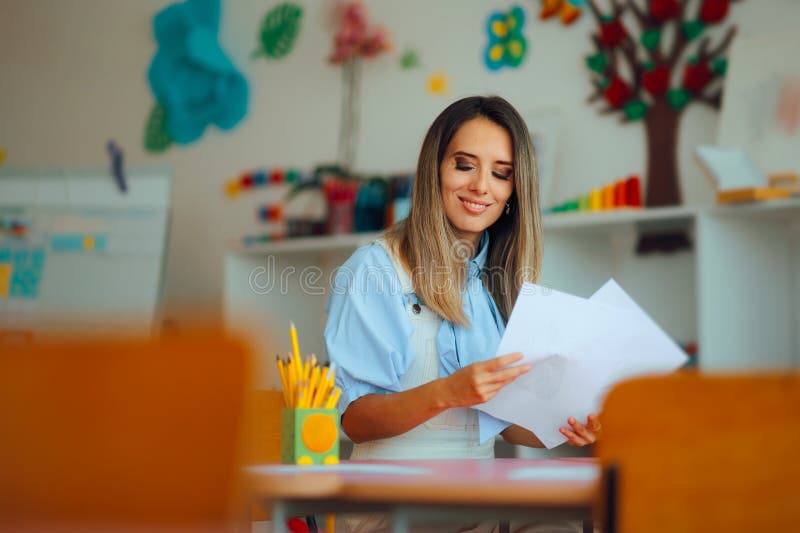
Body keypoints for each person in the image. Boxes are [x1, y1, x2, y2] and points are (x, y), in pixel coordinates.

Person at [324, 95, 600, 531]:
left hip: (477, 506)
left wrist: (566, 424)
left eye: (501, 174)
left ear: (514, 191)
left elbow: (508, 426)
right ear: (434, 170)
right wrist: (448, 391)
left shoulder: (495, 278)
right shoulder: (375, 269)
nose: (481, 187)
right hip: (395, 509)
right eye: (464, 165)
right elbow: (355, 420)